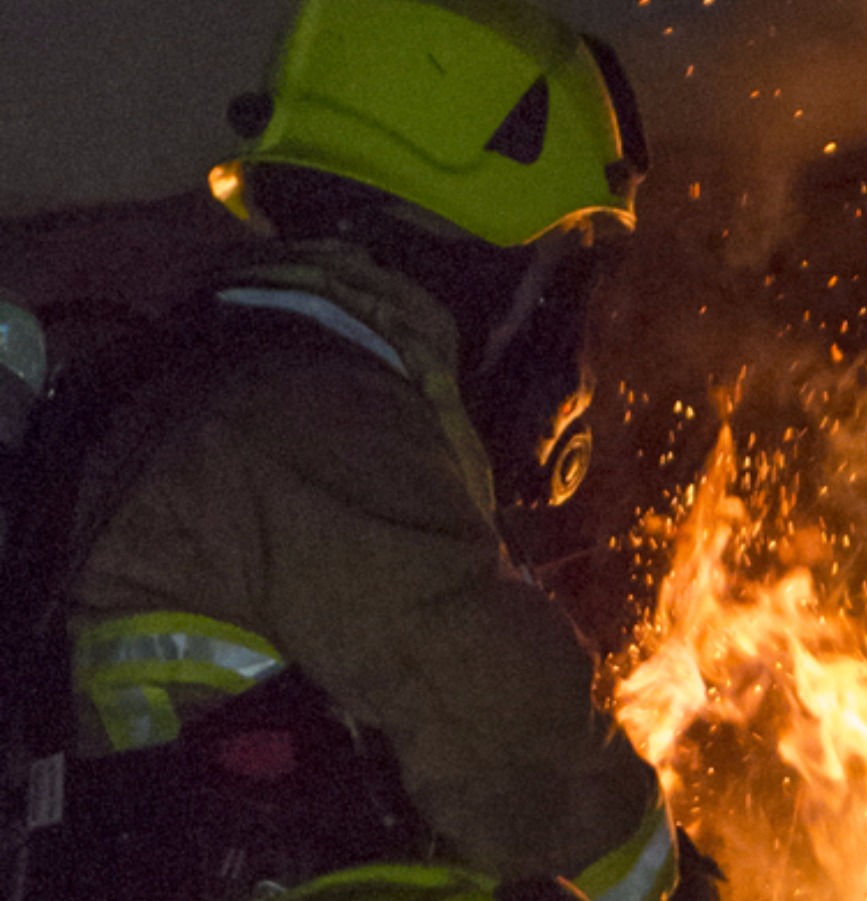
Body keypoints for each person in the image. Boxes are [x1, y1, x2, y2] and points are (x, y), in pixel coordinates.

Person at [1, 1, 714, 899]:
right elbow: (527, 759)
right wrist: (675, 880)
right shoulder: (317, 422)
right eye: (564, 266)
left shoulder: (222, 383)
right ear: (492, 262)